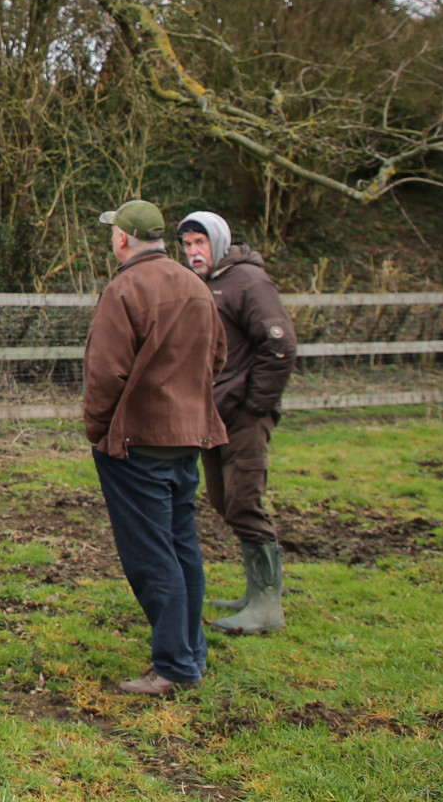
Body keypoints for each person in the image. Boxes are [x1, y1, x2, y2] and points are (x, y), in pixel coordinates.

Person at [83, 199, 227, 696]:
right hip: (187, 438)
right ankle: (191, 652)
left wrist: (99, 431)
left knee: (151, 556)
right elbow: (218, 356)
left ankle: (174, 665)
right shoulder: (196, 285)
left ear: (122, 238)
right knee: (182, 546)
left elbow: (105, 373)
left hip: (137, 442)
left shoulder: (124, 289)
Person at [177, 210, 297, 635]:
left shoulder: (249, 282)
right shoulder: (207, 284)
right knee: (223, 498)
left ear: (219, 242)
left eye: (200, 243)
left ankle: (267, 606)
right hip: (214, 415)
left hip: (243, 416)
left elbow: (280, 344)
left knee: (245, 499)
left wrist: (255, 403)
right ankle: (254, 593)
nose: (193, 252)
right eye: (188, 245)